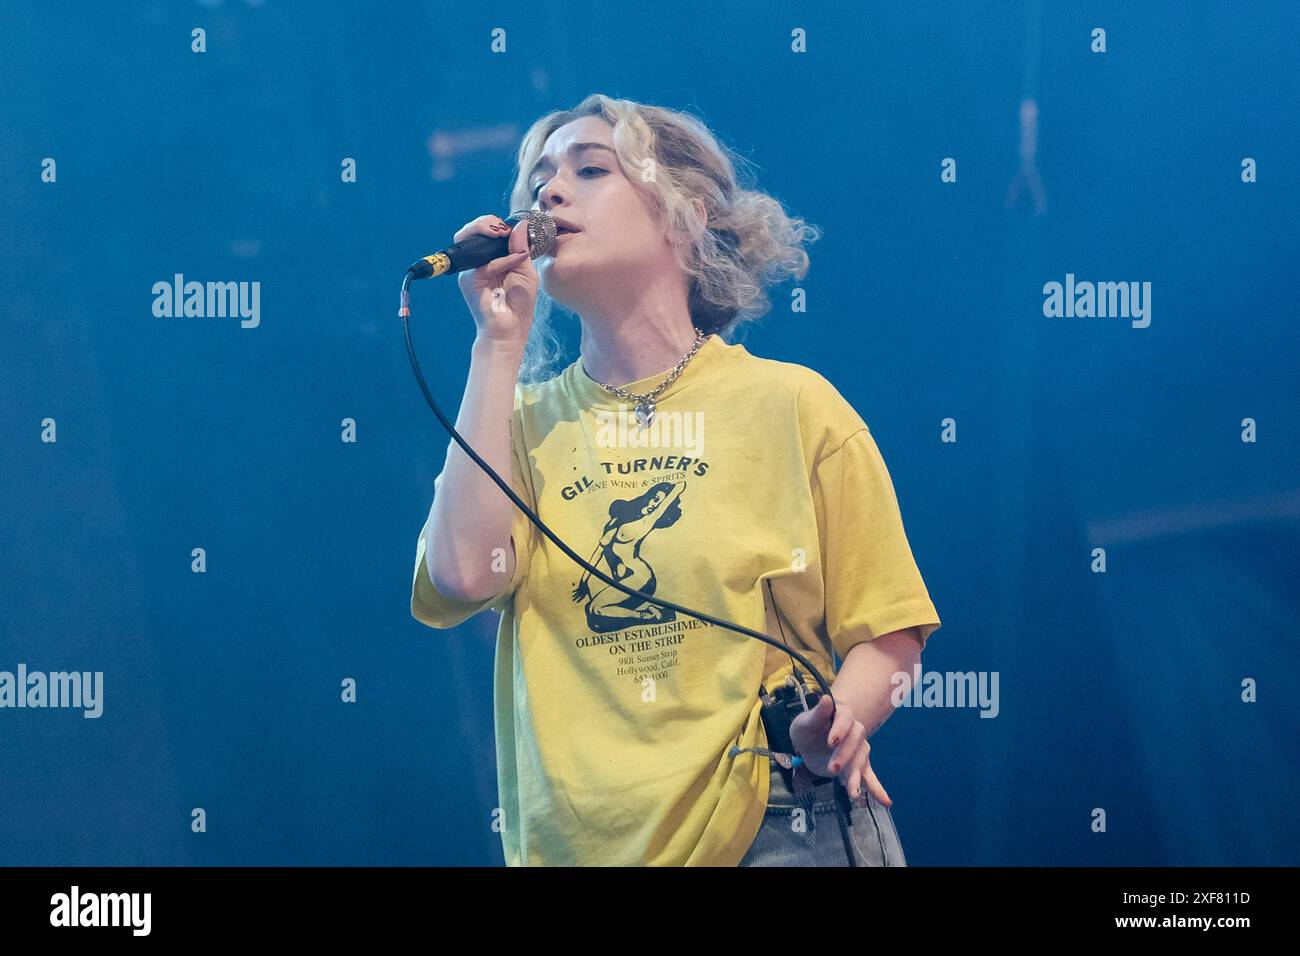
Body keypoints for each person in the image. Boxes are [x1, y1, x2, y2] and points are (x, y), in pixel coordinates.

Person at [411, 93, 941, 866]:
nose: (550, 194)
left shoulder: (791, 405)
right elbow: (460, 578)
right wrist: (497, 344)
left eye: (591, 169)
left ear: (683, 216)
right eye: (539, 181)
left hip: (772, 822)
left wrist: (839, 719)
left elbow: (890, 631)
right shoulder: (515, 425)